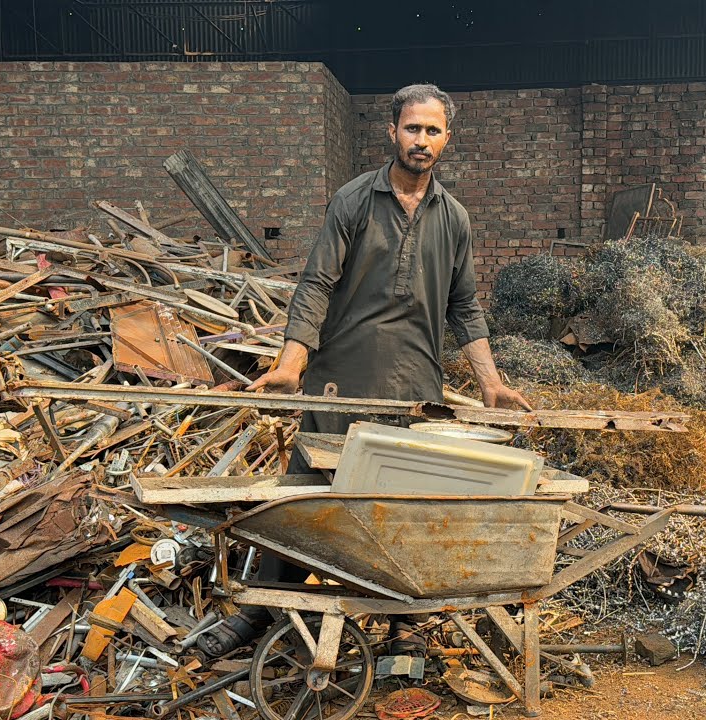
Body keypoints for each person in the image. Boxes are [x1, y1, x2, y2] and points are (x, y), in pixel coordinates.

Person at [198, 83, 531, 657]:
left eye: (432, 131)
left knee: (407, 504)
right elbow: (317, 284)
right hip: (338, 381)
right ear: (392, 132)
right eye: (411, 129)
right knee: (306, 497)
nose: (420, 140)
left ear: (446, 139)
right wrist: (290, 363)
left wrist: (491, 383)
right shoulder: (353, 201)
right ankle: (260, 610)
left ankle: (406, 624)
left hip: (415, 386)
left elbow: (465, 304)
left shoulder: (454, 218)